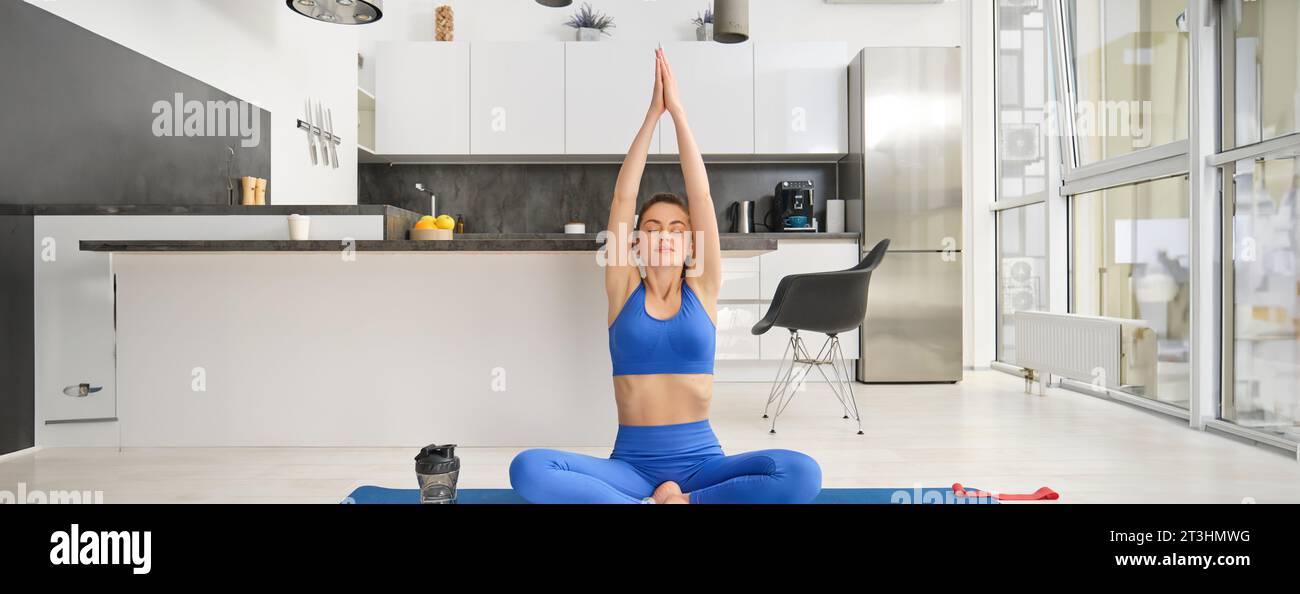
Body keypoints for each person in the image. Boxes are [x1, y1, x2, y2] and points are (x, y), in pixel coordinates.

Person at [508, 49, 822, 504]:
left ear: (691, 243)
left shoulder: (703, 287)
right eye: (651, 229)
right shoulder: (622, 289)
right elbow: (622, 198)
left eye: (677, 230)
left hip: (703, 463)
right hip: (631, 466)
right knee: (530, 469)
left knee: (801, 473)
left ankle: (681, 501)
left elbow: (701, 194)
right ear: (634, 242)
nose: (664, 237)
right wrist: (651, 116)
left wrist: (678, 115)